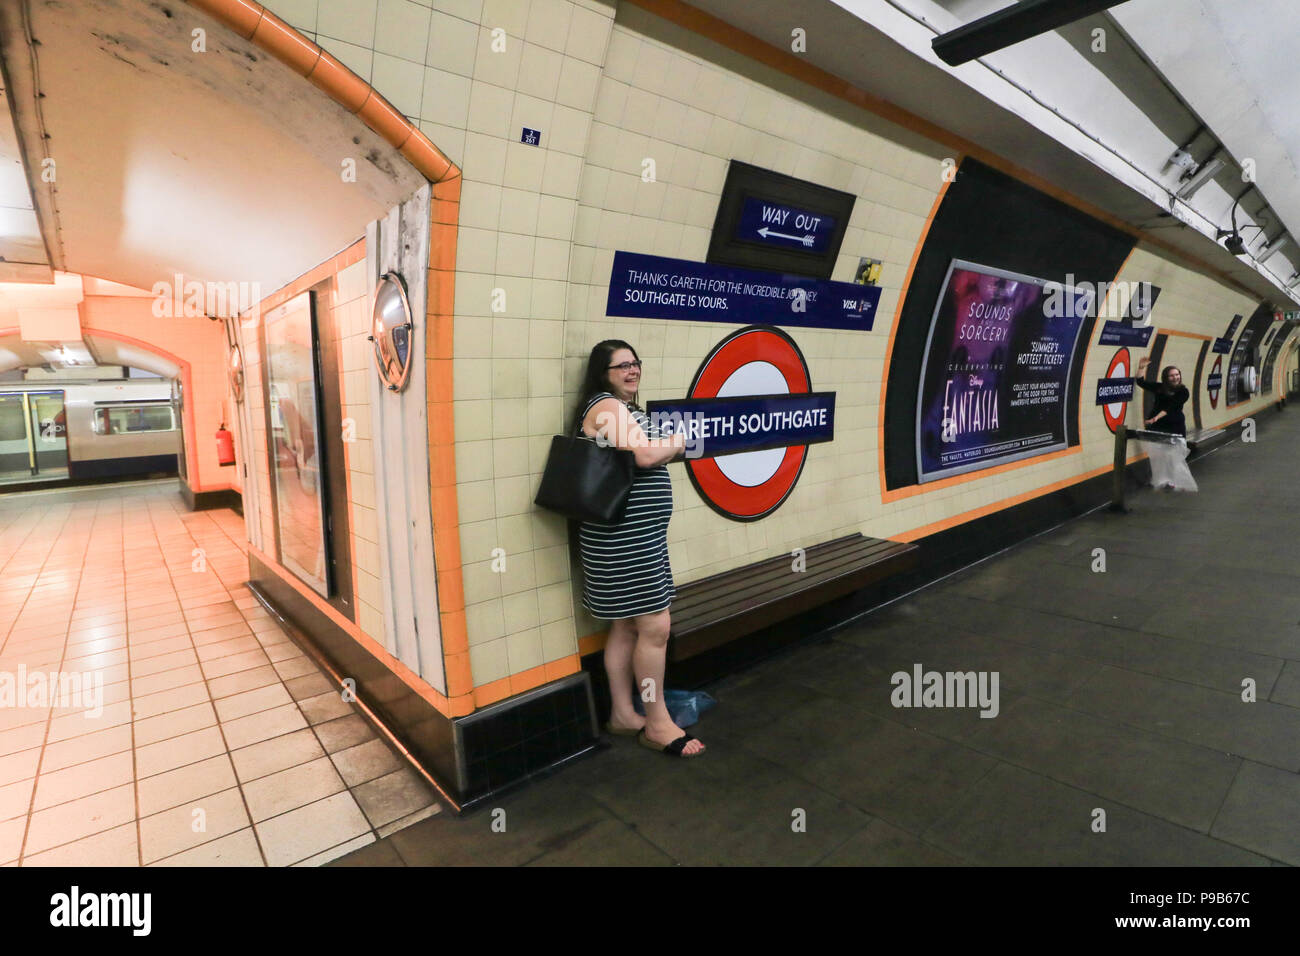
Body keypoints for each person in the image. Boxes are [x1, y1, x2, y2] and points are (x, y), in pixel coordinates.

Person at [575, 340, 704, 758]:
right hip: (623, 541)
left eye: (635, 363)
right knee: (655, 627)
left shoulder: (624, 410)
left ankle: (623, 715)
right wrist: (678, 442)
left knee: (627, 626)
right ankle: (658, 724)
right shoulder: (606, 407)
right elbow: (645, 456)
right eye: (621, 365)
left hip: (635, 538)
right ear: (603, 373)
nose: (632, 370)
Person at [1134, 357, 1195, 491]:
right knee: (1159, 454)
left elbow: (1171, 407)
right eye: (1172, 375)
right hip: (1158, 426)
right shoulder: (1159, 388)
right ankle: (1160, 479)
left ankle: (1174, 480)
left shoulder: (1183, 391)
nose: (1175, 377)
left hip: (1175, 425)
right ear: (1166, 377)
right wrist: (1141, 367)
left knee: (1174, 454)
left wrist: (1155, 418)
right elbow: (1140, 382)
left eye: (1177, 375)